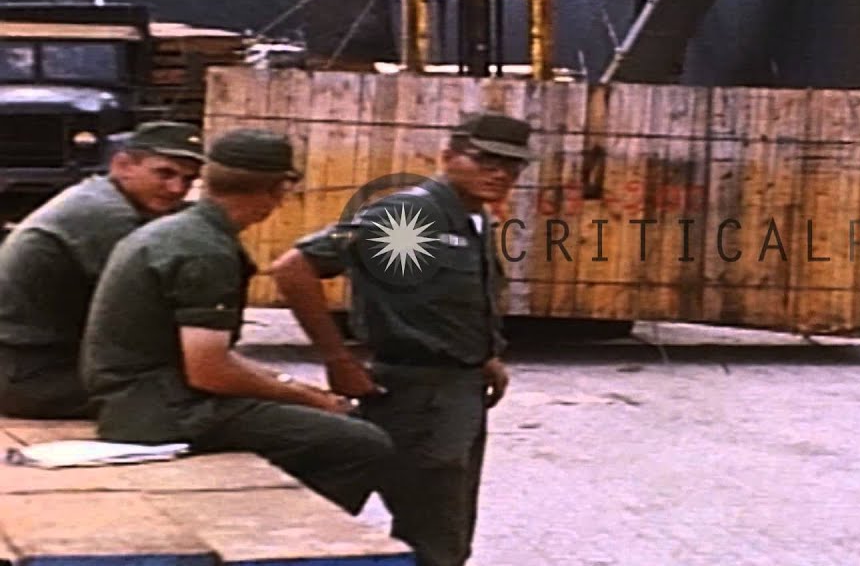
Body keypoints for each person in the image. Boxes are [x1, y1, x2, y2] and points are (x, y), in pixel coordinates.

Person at [80, 128, 393, 516]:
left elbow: (211, 358)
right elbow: (209, 370)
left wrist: (293, 389)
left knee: (319, 422)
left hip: (142, 399)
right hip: (163, 412)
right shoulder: (204, 250)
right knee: (363, 444)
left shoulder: (181, 231)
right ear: (277, 192)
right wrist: (311, 398)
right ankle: (285, 544)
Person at [271, 111, 532, 566]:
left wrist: (483, 355)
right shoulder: (413, 216)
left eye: (513, 166)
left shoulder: (471, 218)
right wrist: (337, 358)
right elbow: (295, 268)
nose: (500, 173)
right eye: (486, 159)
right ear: (448, 157)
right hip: (420, 392)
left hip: (455, 389)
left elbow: (429, 298)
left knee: (441, 525)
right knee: (435, 537)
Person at [0, 121, 205, 418]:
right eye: (164, 173)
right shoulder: (105, 216)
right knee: (197, 394)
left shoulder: (102, 196)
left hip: (38, 364)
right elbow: (148, 313)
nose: (177, 189)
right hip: (30, 376)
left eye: (189, 180)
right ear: (123, 165)